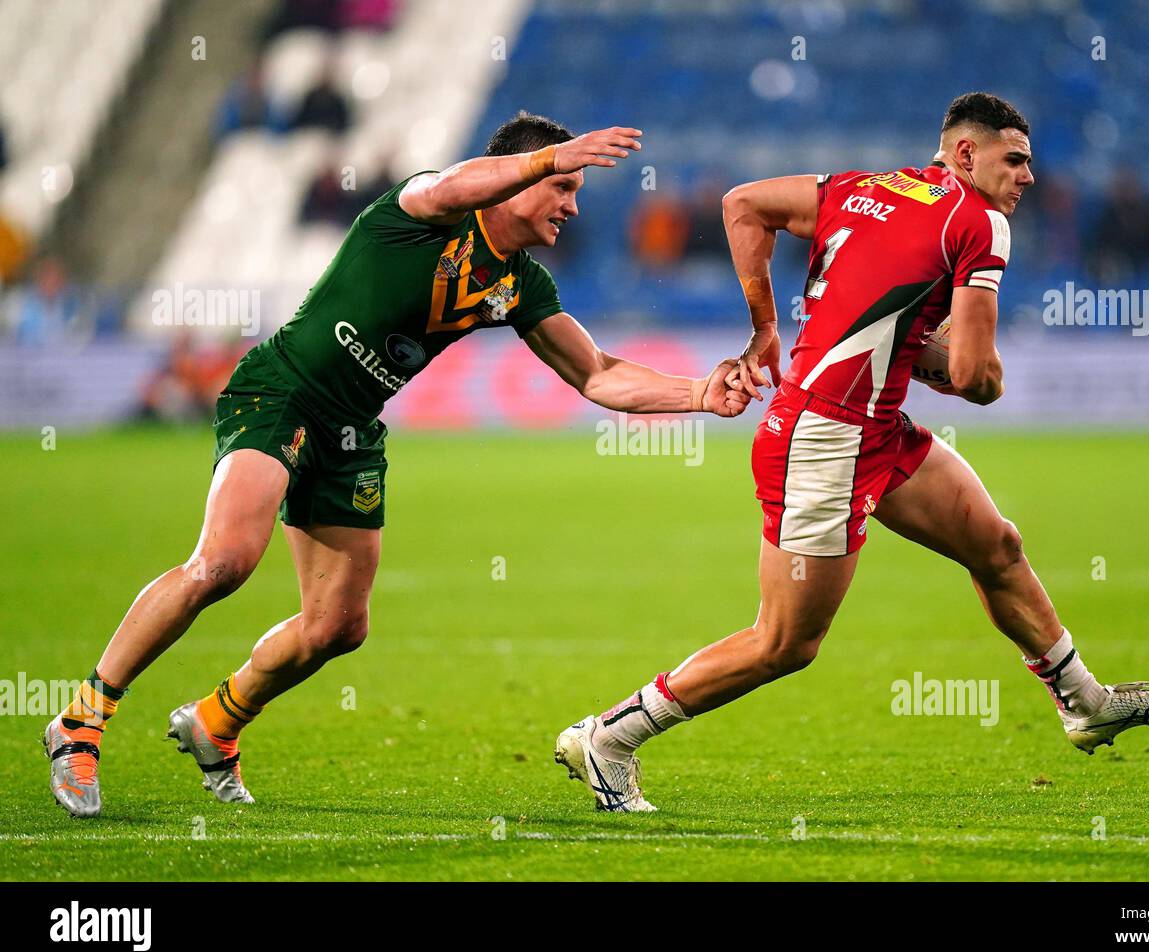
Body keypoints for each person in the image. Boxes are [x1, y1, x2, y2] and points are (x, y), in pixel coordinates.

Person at [44, 112, 751, 819]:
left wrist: (698, 393)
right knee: (225, 561)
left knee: (337, 626)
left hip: (352, 430)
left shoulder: (521, 284)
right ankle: (80, 721)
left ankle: (218, 719)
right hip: (283, 391)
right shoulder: (427, 209)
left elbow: (595, 374)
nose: (571, 205)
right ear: (521, 175)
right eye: (563, 186)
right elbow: (452, 184)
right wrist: (553, 156)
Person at [556, 93, 1149, 812]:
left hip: (873, 427)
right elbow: (975, 379)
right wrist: (958, 368)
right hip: (827, 437)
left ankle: (1085, 702)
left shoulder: (860, 188)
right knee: (784, 643)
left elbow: (742, 204)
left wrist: (765, 327)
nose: (1026, 176)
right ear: (965, 154)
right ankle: (609, 735)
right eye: (1014, 160)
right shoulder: (978, 222)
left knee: (996, 545)